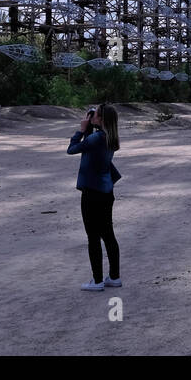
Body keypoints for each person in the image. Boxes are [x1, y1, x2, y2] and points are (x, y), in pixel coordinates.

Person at [67, 103, 122, 291]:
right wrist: (90, 128)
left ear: (101, 119)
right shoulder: (110, 137)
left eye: (95, 114)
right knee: (108, 235)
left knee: (93, 237)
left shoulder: (96, 138)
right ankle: (114, 277)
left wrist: (81, 130)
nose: (92, 116)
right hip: (106, 192)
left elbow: (72, 149)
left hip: (92, 193)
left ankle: (97, 281)